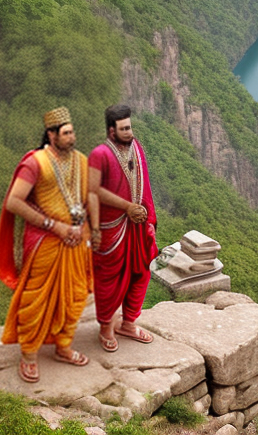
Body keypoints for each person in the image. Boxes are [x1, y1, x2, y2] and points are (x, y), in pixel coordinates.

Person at [0, 106, 98, 383]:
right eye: (66, 133)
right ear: (51, 135)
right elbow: (14, 202)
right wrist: (55, 225)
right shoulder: (35, 163)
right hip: (45, 241)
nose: (72, 137)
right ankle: (29, 355)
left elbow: (87, 199)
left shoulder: (81, 161)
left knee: (75, 295)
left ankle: (63, 346)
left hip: (76, 241)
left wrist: (87, 229)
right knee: (35, 297)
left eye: (72, 131)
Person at [88, 104, 158, 352]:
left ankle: (128, 323)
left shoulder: (135, 148)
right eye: (124, 128)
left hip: (137, 223)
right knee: (111, 278)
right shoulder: (100, 154)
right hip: (113, 227)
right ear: (111, 131)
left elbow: (143, 182)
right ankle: (106, 328)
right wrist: (127, 207)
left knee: (142, 271)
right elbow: (93, 190)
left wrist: (146, 215)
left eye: (130, 126)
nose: (129, 132)